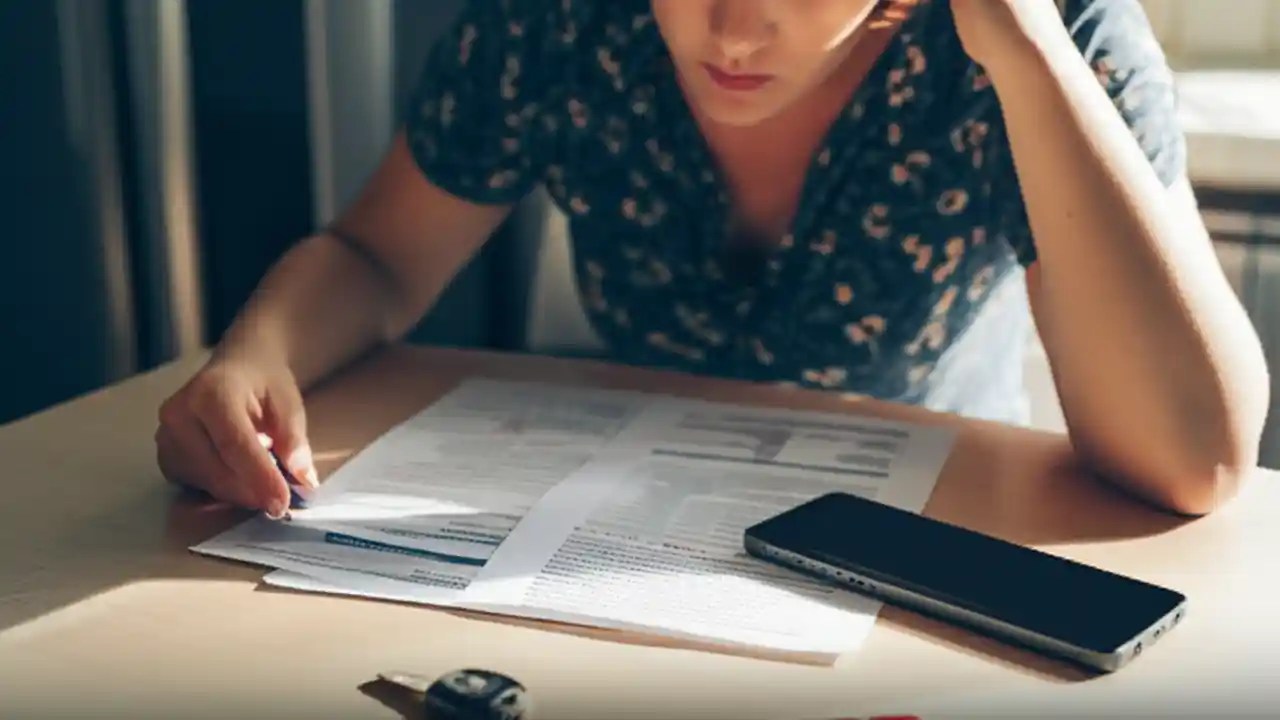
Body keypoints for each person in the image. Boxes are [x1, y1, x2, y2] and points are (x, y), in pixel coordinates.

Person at [156, 0, 1269, 521]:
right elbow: (377, 255)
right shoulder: (553, 22)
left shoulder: (1054, 35)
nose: (731, 35)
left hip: (933, 537)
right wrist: (257, 350)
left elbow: (1197, 461)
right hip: (627, 522)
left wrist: (1023, 51)